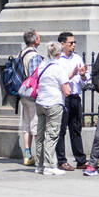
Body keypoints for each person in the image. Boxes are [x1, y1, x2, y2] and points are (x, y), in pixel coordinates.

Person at [35, 40, 77, 176]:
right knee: (52, 135)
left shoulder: (42, 65)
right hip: (54, 102)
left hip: (40, 101)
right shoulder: (58, 67)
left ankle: (39, 165)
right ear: (59, 54)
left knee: (40, 135)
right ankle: (50, 165)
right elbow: (66, 90)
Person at [55, 31, 88, 171]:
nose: (73, 45)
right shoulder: (57, 60)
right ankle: (61, 160)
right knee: (61, 130)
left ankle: (80, 160)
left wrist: (82, 76)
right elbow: (57, 80)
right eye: (71, 43)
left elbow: (85, 80)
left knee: (76, 129)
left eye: (74, 43)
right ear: (62, 44)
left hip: (75, 96)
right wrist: (72, 74)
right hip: (63, 97)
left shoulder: (77, 58)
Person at [19, 29, 42, 168]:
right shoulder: (34, 55)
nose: (40, 39)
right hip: (32, 93)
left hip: (23, 92)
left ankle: (27, 154)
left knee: (26, 125)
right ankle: (39, 156)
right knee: (35, 125)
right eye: (38, 37)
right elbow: (35, 75)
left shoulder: (22, 53)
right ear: (34, 40)